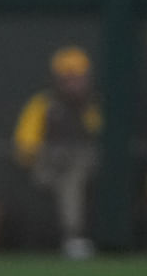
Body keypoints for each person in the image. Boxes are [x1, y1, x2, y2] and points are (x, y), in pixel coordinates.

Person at [11, 46, 102, 258]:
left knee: (73, 175)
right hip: (47, 169)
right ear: (57, 79)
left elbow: (103, 139)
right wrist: (51, 155)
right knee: (68, 176)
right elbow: (24, 148)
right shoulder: (43, 105)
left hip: (86, 167)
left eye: (78, 78)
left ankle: (73, 237)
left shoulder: (93, 106)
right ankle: (73, 238)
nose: (73, 84)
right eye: (68, 78)